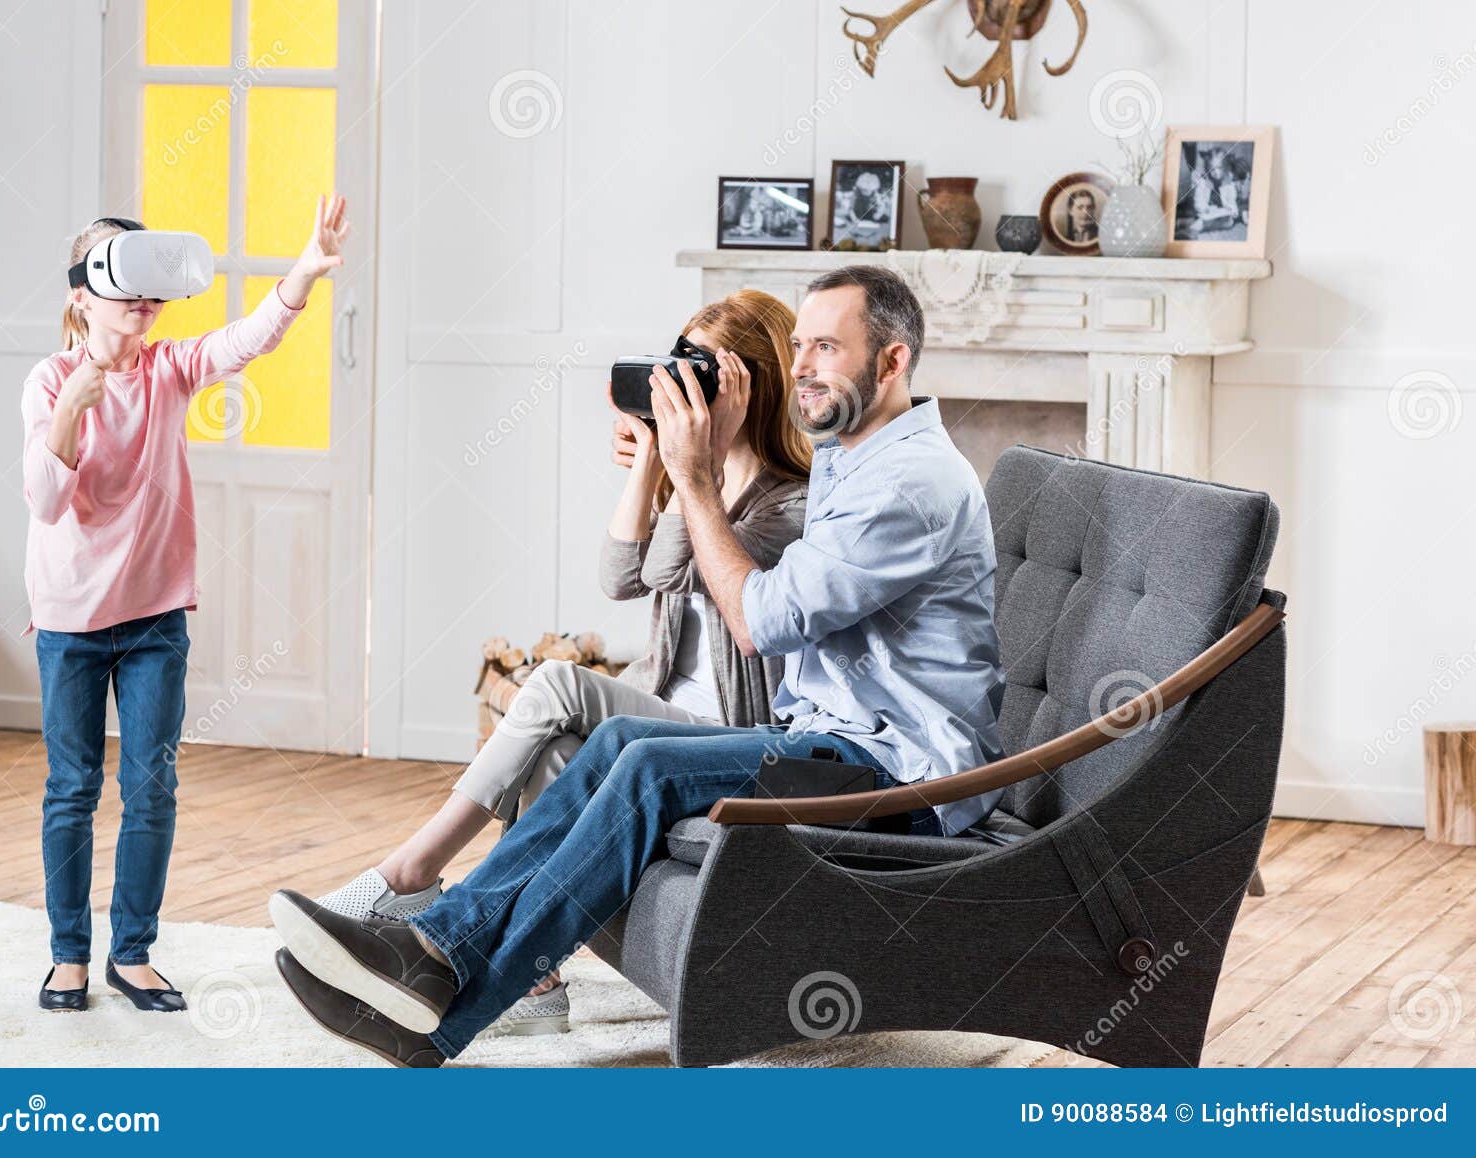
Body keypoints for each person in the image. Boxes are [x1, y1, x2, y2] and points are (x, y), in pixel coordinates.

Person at [268, 264, 1005, 1067]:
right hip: (833, 740)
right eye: (797, 348)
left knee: (647, 763)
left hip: (902, 776)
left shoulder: (909, 483)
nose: (801, 370)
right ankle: (428, 970)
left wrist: (691, 472)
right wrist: (666, 463)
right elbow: (644, 577)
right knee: (620, 737)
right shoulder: (851, 456)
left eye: (827, 348)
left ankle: (438, 993)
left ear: (892, 362)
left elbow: (760, 621)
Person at [305, 288, 812, 1034]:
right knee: (549, 750)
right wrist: (650, 463)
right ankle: (536, 988)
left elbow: (671, 571)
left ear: (750, 386)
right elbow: (617, 576)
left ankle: (408, 876)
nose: (685, 392)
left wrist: (688, 466)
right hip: (664, 708)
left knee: (556, 685)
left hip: (730, 733)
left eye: (706, 376)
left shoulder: (791, 505)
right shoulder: (692, 478)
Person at [25, 195, 350, 1013]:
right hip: (69, 616)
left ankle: (131, 953)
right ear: (80, 295)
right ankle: (69, 955)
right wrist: (73, 406)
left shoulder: (169, 369)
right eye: (118, 276)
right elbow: (43, 502)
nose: (139, 295)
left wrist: (304, 272)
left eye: (149, 280)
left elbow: (246, 339)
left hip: (154, 617)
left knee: (151, 785)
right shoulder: (51, 379)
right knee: (72, 787)